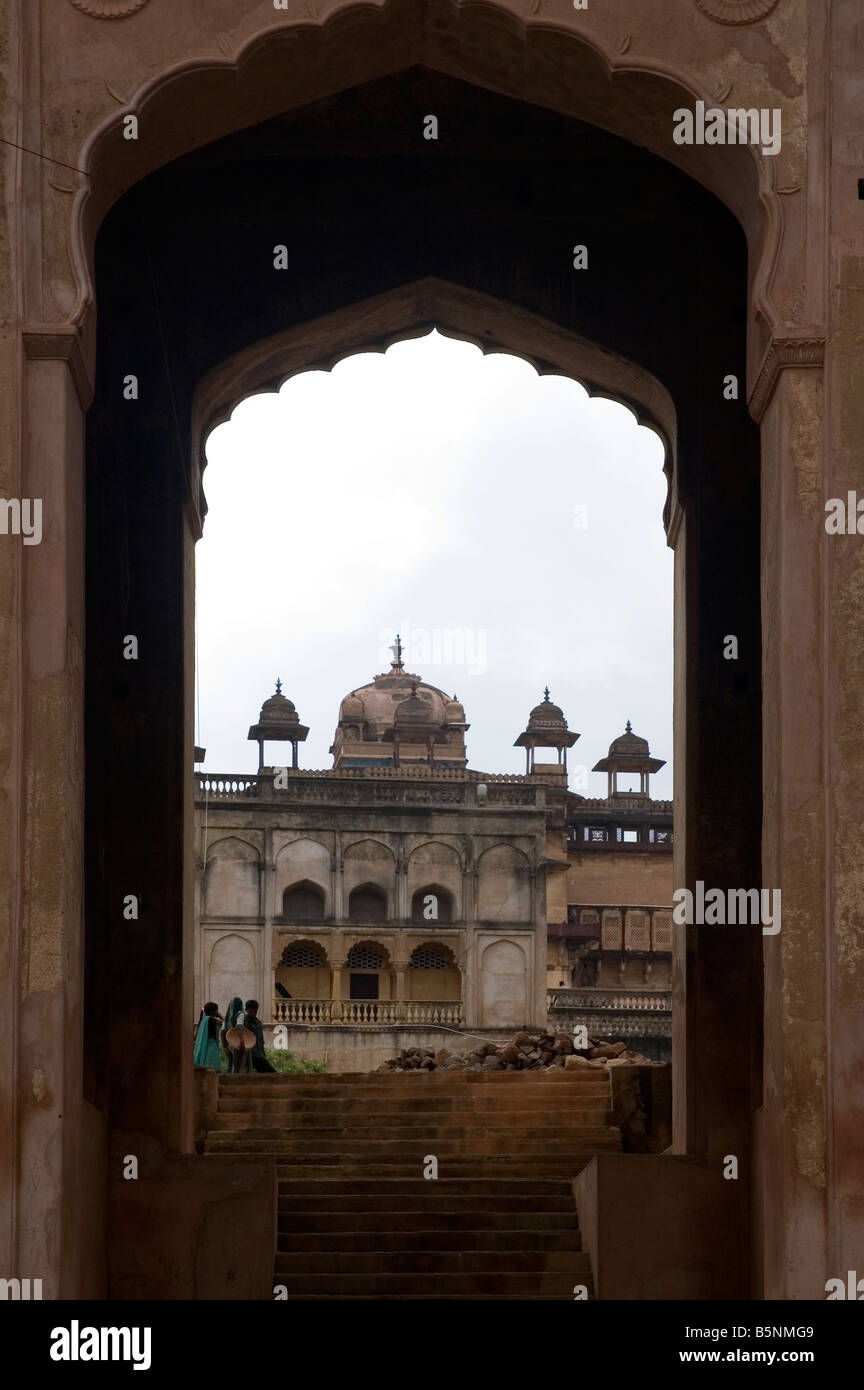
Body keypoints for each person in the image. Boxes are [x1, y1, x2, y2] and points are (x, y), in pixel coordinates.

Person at [237, 1000, 276, 1073]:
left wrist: (263, 1054)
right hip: (249, 1054)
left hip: (259, 1054)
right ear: (246, 1010)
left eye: (255, 1012)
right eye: (251, 1011)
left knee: (270, 1072)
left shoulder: (258, 1023)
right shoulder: (243, 1022)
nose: (253, 1014)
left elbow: (260, 1040)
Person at [221, 995, 252, 1073]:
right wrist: (241, 1042)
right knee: (240, 1063)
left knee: (231, 1062)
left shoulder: (227, 1018)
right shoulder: (240, 1014)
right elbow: (240, 1027)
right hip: (238, 1043)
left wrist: (224, 1045)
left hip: (229, 1043)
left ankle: (230, 1077)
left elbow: (222, 1032)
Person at [193, 1001, 223, 1070]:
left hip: (205, 1045)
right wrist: (219, 1015)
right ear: (212, 1011)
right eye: (216, 1010)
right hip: (211, 1045)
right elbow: (222, 1022)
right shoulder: (212, 1019)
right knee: (212, 1067)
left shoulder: (203, 1020)